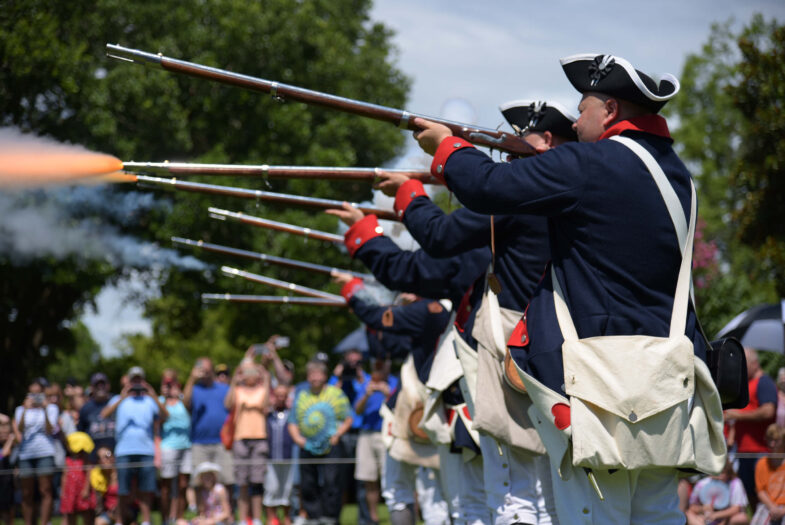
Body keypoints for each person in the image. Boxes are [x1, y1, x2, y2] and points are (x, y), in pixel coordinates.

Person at [411, 53, 727, 524]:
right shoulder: (677, 175)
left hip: (600, 386)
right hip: (665, 383)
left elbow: (485, 185)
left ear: (611, 111)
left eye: (583, 109)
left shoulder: (591, 164)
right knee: (659, 515)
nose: (576, 122)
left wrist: (447, 147)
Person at [372, 99, 575, 525]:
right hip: (561, 353)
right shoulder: (575, 191)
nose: (509, 153)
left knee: (515, 492)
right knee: (548, 491)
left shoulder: (525, 197)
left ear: (547, 141)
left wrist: (410, 195)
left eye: (522, 140)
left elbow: (440, 236)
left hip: (519, 352)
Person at [288, 358, 353, 525]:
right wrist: (298, 439)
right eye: (311, 374)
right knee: (308, 483)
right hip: (307, 446)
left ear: (325, 376)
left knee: (332, 482)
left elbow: (348, 418)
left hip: (331, 445)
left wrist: (337, 434)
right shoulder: (301, 395)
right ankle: (314, 516)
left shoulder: (335, 393)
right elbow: (292, 421)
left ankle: (330, 517)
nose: (315, 377)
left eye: (318, 374)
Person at [101, 366, 168, 525]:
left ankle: (146, 521)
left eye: (139, 379)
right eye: (133, 380)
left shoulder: (149, 401)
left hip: (146, 450)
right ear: (128, 381)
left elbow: (165, 415)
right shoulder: (118, 399)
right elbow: (104, 414)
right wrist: (122, 397)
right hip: (124, 451)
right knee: (122, 489)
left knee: (146, 490)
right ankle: (119, 521)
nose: (136, 382)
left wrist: (153, 395)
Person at [725, 348, 777, 507]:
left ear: (755, 363)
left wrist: (737, 415)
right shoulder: (746, 384)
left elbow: (768, 411)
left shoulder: (764, 382)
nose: (740, 368)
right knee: (751, 497)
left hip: (761, 451)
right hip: (744, 451)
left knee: (767, 497)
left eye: (744, 364)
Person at [224, 355, 270, 525]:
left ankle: (257, 519)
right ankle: (243, 519)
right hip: (240, 438)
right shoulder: (238, 390)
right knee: (242, 482)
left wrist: (265, 379)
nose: (250, 376)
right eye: (247, 373)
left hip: (259, 438)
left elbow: (265, 404)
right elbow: (228, 404)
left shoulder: (262, 388)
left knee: (257, 482)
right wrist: (234, 381)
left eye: (253, 372)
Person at [354, 359, 399, 525]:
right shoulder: (365, 383)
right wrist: (367, 394)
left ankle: (396, 516)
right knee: (369, 479)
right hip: (367, 434)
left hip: (389, 433)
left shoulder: (396, 382)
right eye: (376, 364)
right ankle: (374, 519)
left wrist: (388, 394)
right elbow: (357, 410)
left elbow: (402, 406)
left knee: (391, 478)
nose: (379, 366)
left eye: (382, 363)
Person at [14, 377, 59, 525]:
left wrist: (45, 409)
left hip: (45, 451)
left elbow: (50, 430)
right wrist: (26, 409)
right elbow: (19, 430)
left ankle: (45, 522)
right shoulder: (20, 409)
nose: (35, 397)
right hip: (26, 453)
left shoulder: (51, 408)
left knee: (45, 490)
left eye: (38, 393)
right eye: (33, 394)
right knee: (27, 493)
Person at [184, 358, 234, 489]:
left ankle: (226, 509)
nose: (204, 373)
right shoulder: (194, 388)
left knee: (225, 480)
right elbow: (186, 404)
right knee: (199, 482)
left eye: (207, 370)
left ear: (212, 371)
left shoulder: (224, 389)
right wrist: (191, 379)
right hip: (199, 442)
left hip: (222, 442)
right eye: (201, 370)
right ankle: (201, 510)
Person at [159, 372, 193, 525]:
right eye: (166, 385)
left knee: (183, 485)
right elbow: (161, 416)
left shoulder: (182, 401)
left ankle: (179, 517)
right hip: (168, 447)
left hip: (185, 446)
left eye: (171, 384)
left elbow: (188, 402)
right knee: (166, 486)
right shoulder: (160, 401)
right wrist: (165, 398)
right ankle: (165, 519)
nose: (169, 387)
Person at [265, 384, 296, 525]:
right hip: (271, 459)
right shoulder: (268, 415)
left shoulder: (292, 415)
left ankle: (287, 518)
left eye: (283, 395)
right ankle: (272, 519)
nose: (280, 398)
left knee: (287, 489)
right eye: (278, 395)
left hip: (288, 458)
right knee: (272, 488)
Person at [59, 432, 96, 525]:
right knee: (70, 514)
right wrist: (63, 492)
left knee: (86, 513)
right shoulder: (67, 460)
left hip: (82, 490)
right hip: (70, 491)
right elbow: (64, 477)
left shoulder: (85, 459)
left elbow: (88, 474)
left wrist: (86, 489)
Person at [78, 373, 116, 457]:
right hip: (93, 459)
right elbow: (81, 432)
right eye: (97, 385)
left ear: (108, 386)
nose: (100, 387)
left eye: (103, 384)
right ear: (92, 388)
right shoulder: (86, 408)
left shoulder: (116, 403)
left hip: (116, 457)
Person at [754, 424, 785, 524]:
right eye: (769, 440)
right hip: (768, 506)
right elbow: (761, 491)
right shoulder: (762, 463)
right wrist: (772, 507)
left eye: (776, 441)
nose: (772, 444)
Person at [91, 447, 119, 525]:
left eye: (108, 455)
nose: (107, 459)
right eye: (102, 458)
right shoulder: (97, 476)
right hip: (107, 512)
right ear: (99, 462)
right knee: (98, 522)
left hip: (124, 510)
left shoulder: (121, 474)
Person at [0, 413, 16, 525]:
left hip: (7, 484)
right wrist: (10, 440)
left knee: (7, 511)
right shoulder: (8, 444)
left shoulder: (14, 445)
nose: (4, 432)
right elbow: (2, 455)